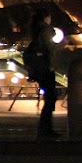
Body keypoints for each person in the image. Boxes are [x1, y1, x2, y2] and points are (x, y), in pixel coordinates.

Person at [24, 9, 59, 137]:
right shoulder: (45, 30)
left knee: (49, 98)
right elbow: (48, 49)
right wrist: (51, 65)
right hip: (46, 68)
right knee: (51, 98)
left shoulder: (35, 30)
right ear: (47, 18)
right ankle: (45, 128)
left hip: (38, 68)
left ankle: (45, 128)